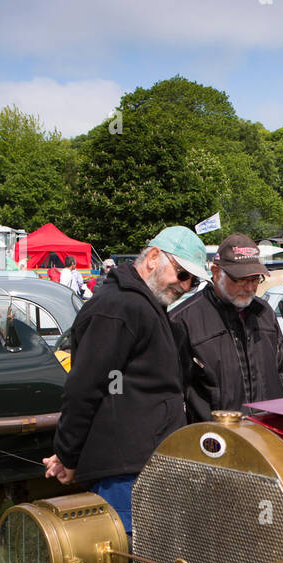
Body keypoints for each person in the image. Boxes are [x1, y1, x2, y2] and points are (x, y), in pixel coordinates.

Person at [43, 226, 202, 533]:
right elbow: (83, 389)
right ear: (154, 258)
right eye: (182, 274)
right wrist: (67, 454)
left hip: (149, 465)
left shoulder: (144, 306)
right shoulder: (119, 306)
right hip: (125, 474)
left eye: (193, 281)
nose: (185, 286)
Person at [171, 232, 283, 421]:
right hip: (214, 442)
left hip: (269, 435)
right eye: (240, 280)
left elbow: (279, 371)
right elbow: (172, 392)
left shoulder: (264, 312)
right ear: (216, 273)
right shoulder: (183, 321)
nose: (250, 288)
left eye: (255, 279)